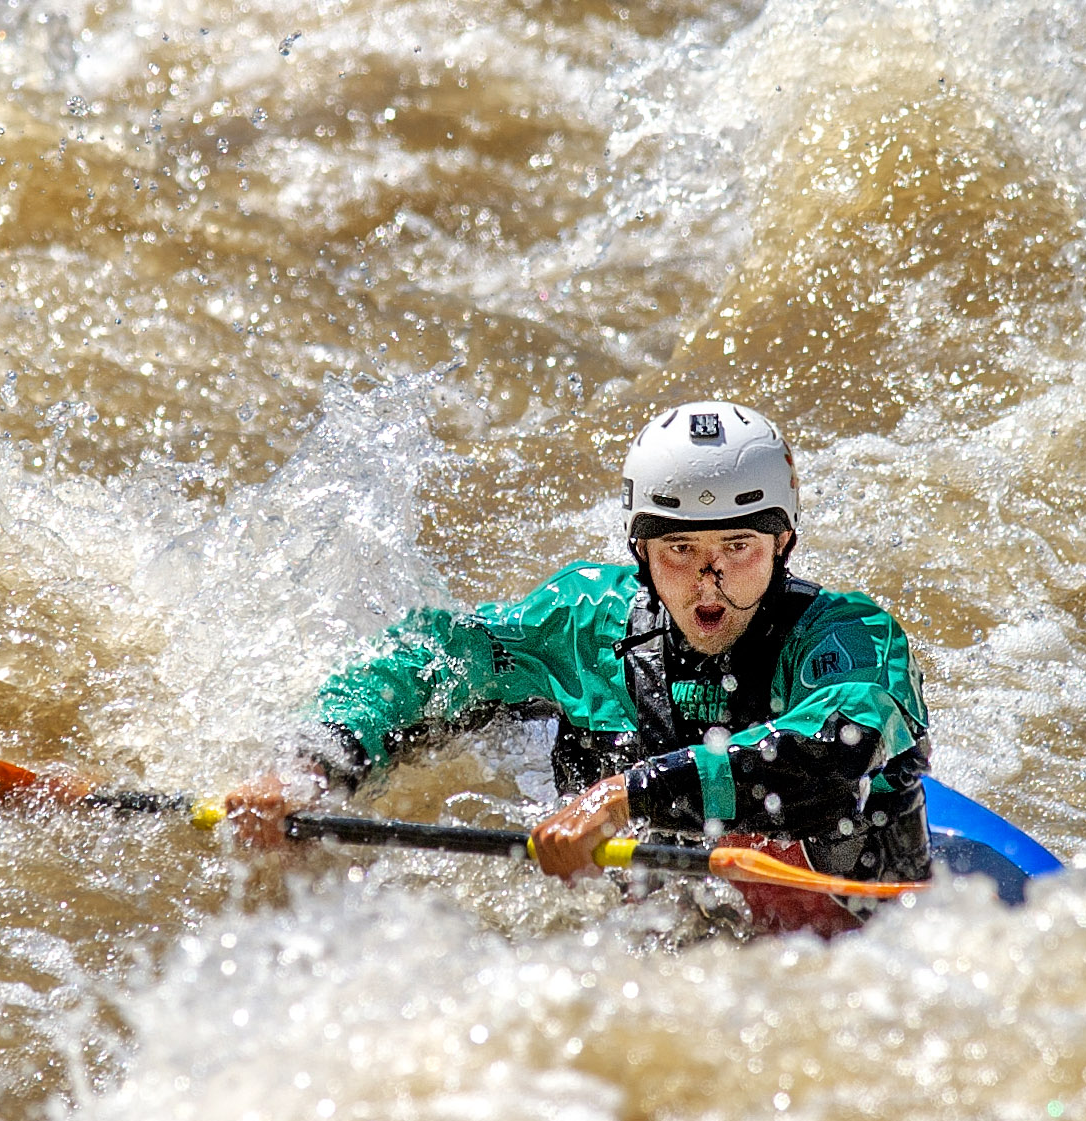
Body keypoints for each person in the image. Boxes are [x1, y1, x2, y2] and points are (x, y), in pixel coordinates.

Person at [223, 400, 933, 936]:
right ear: (640, 551)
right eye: (679, 552)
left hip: (854, 945)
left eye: (738, 547)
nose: (708, 582)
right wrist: (312, 766)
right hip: (661, 941)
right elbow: (429, 664)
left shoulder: (851, 636)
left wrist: (628, 796)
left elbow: (841, 749)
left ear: (783, 542)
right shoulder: (587, 619)